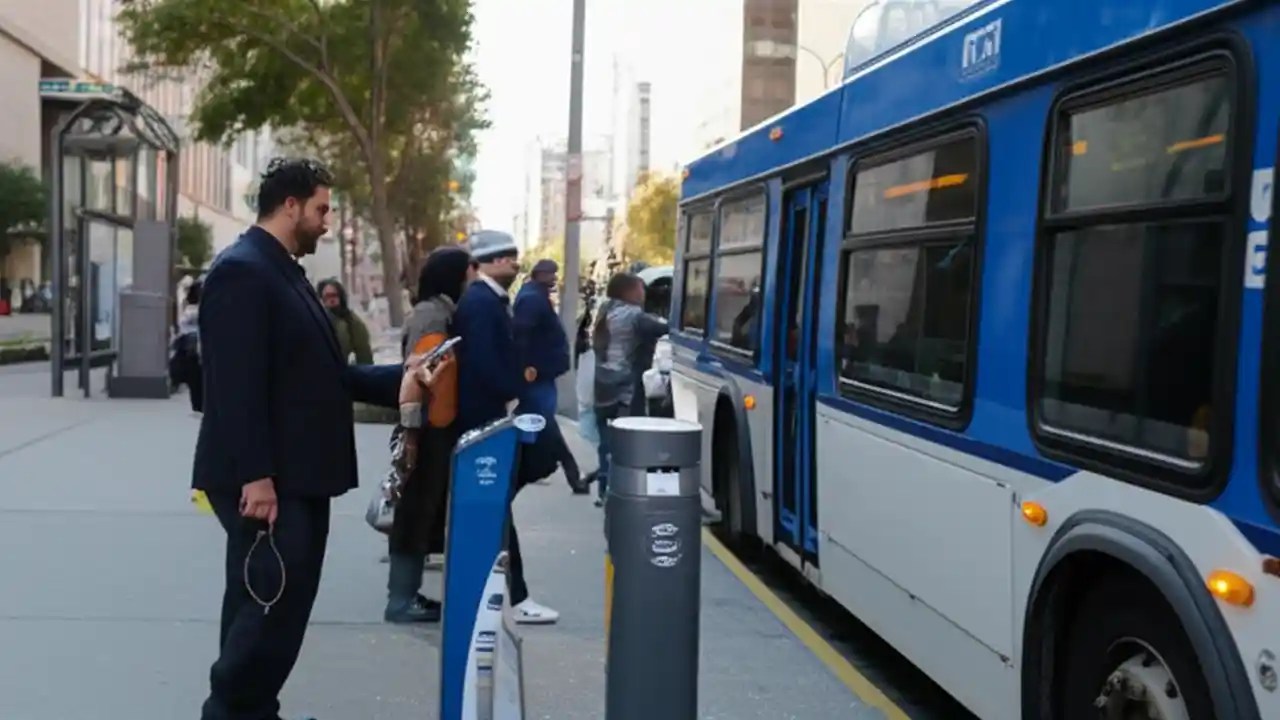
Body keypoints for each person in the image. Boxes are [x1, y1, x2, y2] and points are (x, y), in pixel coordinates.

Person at [192, 157, 408, 720]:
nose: (327, 221)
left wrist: (403, 380)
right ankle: (233, 712)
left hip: (297, 476)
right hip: (266, 480)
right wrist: (255, 476)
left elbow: (321, 374)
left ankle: (256, 710)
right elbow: (234, 387)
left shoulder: (282, 270)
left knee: (279, 609)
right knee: (265, 606)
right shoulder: (243, 270)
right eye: (321, 208)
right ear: (289, 205)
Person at [453, 229, 559, 624]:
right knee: (496, 505)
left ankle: (509, 593)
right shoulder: (482, 303)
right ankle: (514, 596)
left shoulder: (489, 301)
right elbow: (484, 362)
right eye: (509, 258)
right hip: (488, 422)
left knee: (497, 507)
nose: (516, 265)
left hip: (491, 419)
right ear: (490, 262)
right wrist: (515, 390)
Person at [383, 246, 475, 623]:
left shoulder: (438, 313)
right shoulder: (432, 317)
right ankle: (401, 600)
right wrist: (414, 435)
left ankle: (407, 595)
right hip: (427, 429)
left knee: (421, 512)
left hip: (431, 427)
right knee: (414, 512)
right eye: (467, 273)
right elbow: (419, 380)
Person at [592, 272, 669, 507]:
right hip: (625, 389)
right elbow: (663, 329)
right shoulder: (633, 315)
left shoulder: (605, 310)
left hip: (601, 386)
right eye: (641, 289)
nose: (644, 294)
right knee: (627, 442)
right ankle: (620, 491)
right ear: (630, 292)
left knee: (605, 443)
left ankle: (603, 490)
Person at [513, 259, 586, 494]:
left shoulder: (535, 296)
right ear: (539, 274)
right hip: (538, 375)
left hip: (540, 373)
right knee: (544, 422)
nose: (554, 278)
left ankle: (527, 467)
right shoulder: (532, 299)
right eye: (551, 274)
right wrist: (526, 367)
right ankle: (570, 473)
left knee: (533, 422)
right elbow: (522, 335)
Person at [317, 278, 373, 365]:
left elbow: (364, 354)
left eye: (334, 295)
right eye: (327, 296)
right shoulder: (318, 320)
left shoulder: (352, 322)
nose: (331, 300)